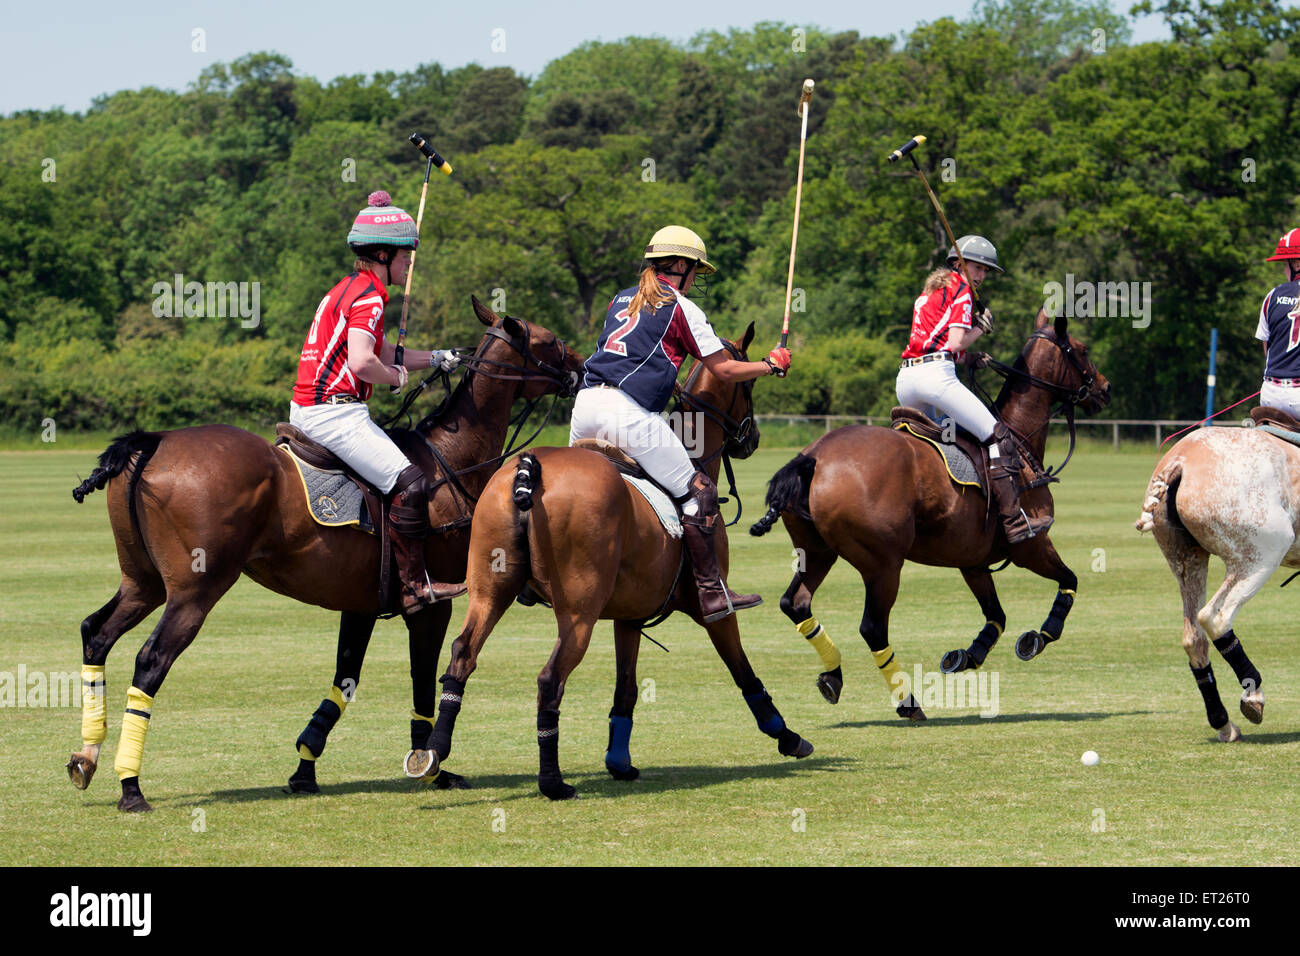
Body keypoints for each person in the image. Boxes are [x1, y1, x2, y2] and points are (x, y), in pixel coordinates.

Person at [570, 225, 791, 622]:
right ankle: (710, 592)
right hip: (626, 415)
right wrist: (769, 365)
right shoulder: (681, 307)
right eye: (695, 271)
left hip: (584, 408)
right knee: (700, 493)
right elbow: (722, 368)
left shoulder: (620, 299)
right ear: (679, 266)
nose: (696, 280)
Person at [290, 190, 464, 614]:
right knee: (412, 482)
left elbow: (382, 352)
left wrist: (435, 359)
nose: (409, 265)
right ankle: (412, 587)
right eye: (405, 257)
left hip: (311, 409)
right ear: (383, 255)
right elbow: (365, 362)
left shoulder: (346, 288)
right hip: (335, 413)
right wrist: (396, 379)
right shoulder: (371, 296)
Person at [895, 234, 1050, 544]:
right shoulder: (962, 290)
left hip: (906, 381)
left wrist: (969, 358)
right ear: (959, 264)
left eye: (984, 271)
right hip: (936, 378)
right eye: (976, 268)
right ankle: (1013, 521)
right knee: (998, 436)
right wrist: (981, 328)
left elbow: (937, 344)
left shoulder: (929, 292)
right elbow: (954, 342)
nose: (980, 276)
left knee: (937, 444)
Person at [1256, 228, 1300, 418]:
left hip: (1269, 396)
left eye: (1285, 264)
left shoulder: (1272, 296)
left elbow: (1267, 348)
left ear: (1297, 264)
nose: (1283, 269)